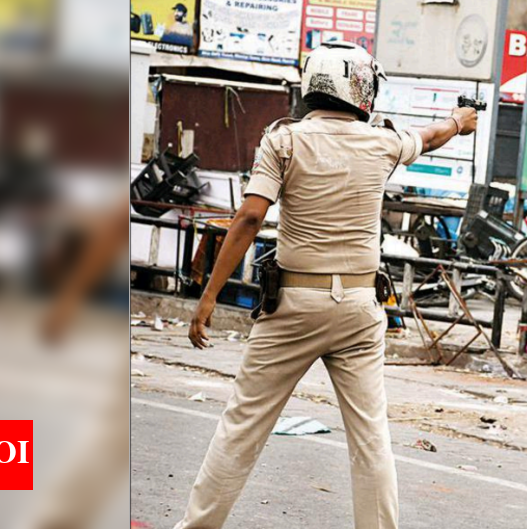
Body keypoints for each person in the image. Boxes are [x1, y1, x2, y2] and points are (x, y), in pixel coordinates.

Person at [173, 41, 477, 529]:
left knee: (242, 427)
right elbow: (432, 135)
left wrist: (208, 297)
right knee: (371, 438)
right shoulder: (382, 142)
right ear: (360, 89)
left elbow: (249, 217)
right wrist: (459, 122)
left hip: (292, 306)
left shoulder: (283, 141)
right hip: (359, 307)